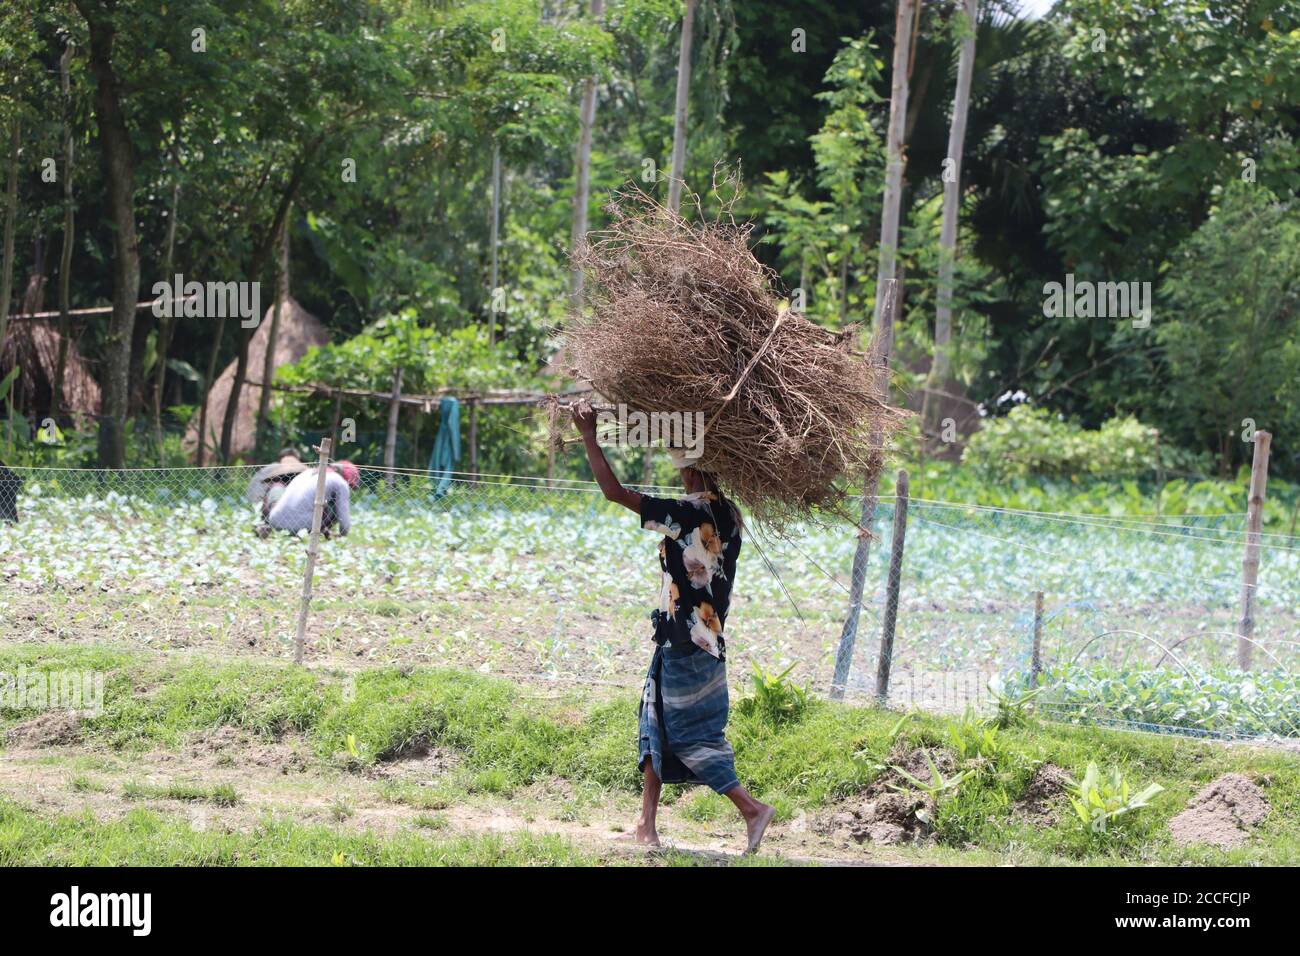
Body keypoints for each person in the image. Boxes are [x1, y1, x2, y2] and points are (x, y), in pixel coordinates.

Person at [572, 402, 776, 854]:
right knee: (656, 723)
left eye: (681, 468)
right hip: (693, 638)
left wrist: (589, 434)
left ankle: (751, 809)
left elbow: (614, 492)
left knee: (687, 736)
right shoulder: (731, 515)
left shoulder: (687, 513)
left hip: (687, 641)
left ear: (692, 473)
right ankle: (646, 825)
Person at [265, 460, 359, 538]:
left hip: (275, 522)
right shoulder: (339, 481)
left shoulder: (308, 472)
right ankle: (318, 533)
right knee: (334, 504)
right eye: (350, 486)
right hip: (301, 528)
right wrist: (342, 537)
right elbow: (344, 520)